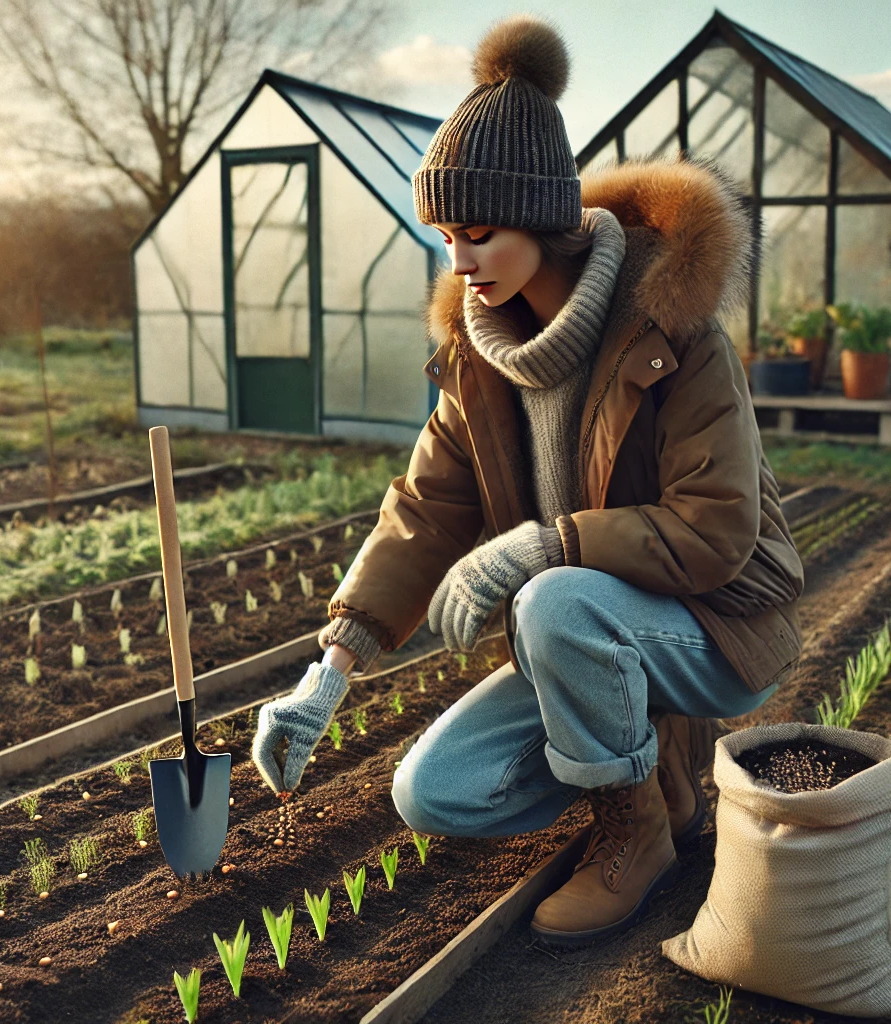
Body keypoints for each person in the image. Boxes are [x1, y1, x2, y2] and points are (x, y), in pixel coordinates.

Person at [253, 12, 805, 951]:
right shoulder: (481, 354)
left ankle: (634, 833)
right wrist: (331, 668)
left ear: (546, 224)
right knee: (434, 792)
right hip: (590, 625)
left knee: (551, 600)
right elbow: (427, 505)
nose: (457, 263)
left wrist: (544, 544)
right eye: (443, 236)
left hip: (715, 623)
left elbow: (715, 530)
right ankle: (651, 754)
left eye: (478, 234)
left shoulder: (671, 333)